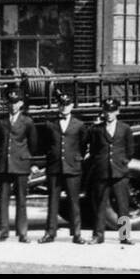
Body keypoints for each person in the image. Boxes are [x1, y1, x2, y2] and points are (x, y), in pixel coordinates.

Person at [0, 87, 37, 243]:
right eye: (10, 102)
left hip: (21, 165)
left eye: (16, 102)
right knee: (3, 199)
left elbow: (33, 144)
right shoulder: (0, 121)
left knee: (21, 200)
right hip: (4, 165)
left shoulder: (27, 122)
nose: (12, 106)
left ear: (21, 103)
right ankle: (1, 231)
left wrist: (29, 162)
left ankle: (22, 232)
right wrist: (0, 159)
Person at [87, 97, 135, 244]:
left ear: (118, 111)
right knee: (100, 204)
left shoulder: (125, 128)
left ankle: (125, 236)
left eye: (112, 111)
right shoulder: (96, 129)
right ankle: (98, 235)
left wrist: (122, 163)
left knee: (122, 205)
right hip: (102, 172)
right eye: (106, 111)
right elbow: (94, 150)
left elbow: (130, 150)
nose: (109, 114)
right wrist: (99, 163)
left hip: (119, 173)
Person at [41, 92, 88, 244]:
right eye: (61, 104)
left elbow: (83, 145)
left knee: (74, 201)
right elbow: (47, 145)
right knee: (52, 201)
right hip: (55, 167)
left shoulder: (79, 125)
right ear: (57, 106)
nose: (64, 107)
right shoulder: (50, 124)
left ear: (72, 106)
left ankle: (77, 233)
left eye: (67, 105)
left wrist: (75, 159)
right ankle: (50, 232)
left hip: (72, 167)